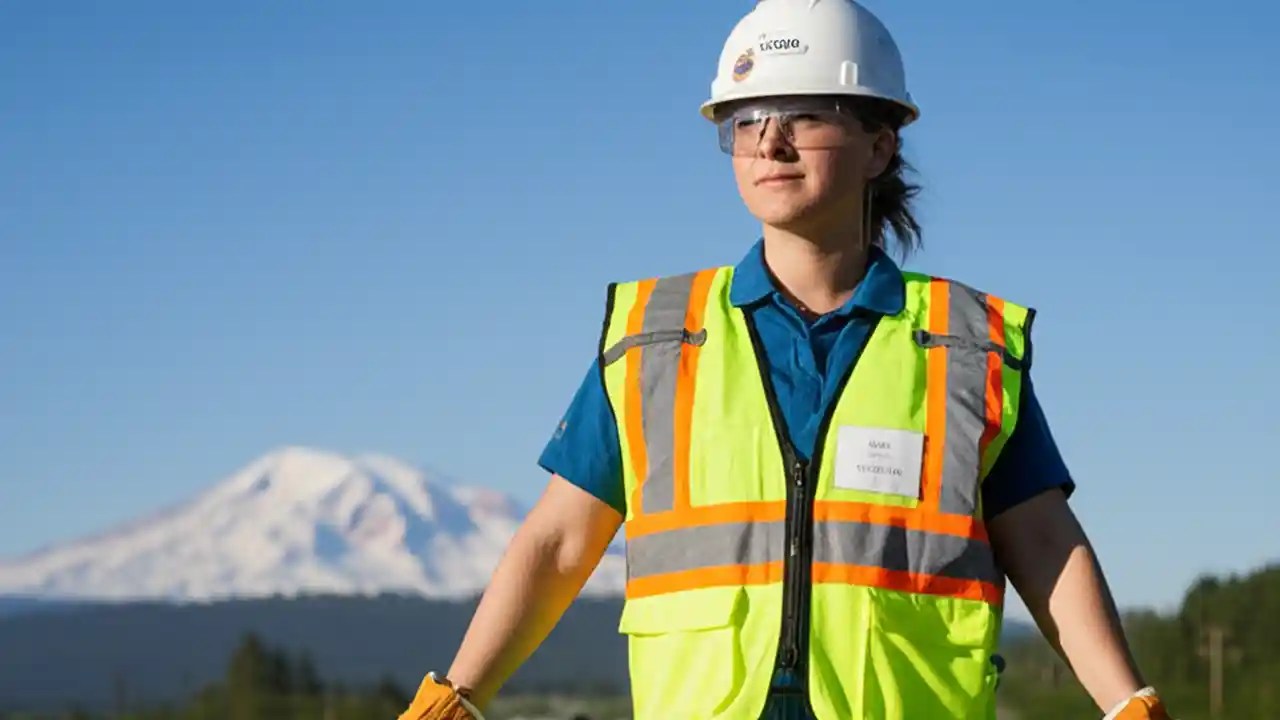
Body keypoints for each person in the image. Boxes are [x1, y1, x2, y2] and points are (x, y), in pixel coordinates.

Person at [398, 1, 1174, 718]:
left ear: (881, 145)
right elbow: (559, 541)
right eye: (745, 120)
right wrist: (459, 697)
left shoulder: (964, 347)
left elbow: (1042, 541)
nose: (769, 140)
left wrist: (1125, 703)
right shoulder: (655, 342)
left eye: (804, 114)